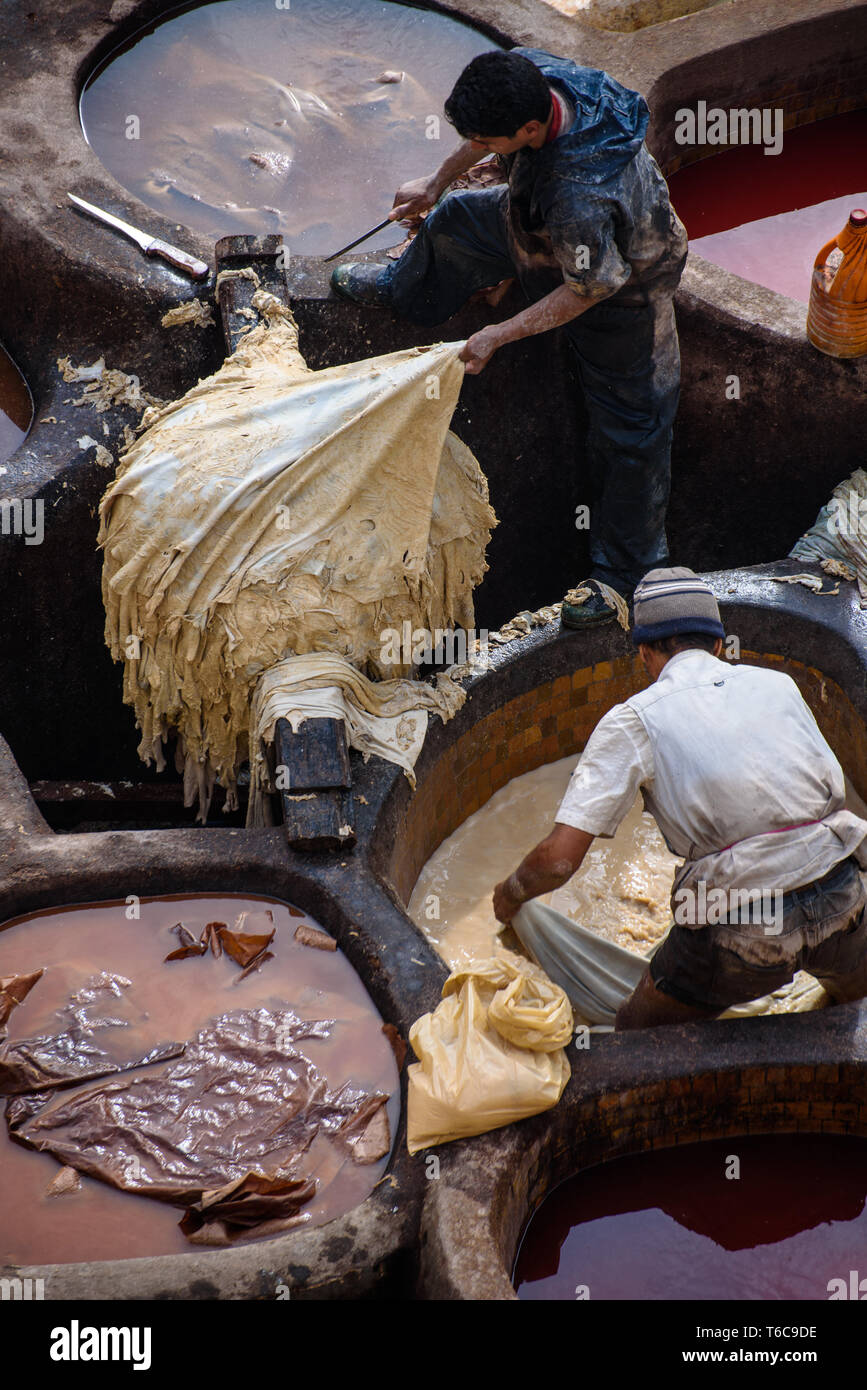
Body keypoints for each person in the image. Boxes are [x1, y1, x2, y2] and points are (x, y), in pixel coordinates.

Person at [331, 48, 688, 626]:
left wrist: (500, 332)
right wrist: (434, 183)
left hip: (622, 290)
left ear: (528, 129)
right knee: (454, 220)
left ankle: (625, 577)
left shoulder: (579, 193)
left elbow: (588, 289)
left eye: (494, 141)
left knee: (634, 434)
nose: (483, 146)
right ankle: (406, 289)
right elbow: (481, 138)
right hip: (538, 227)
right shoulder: (533, 78)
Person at [492, 567, 867, 1028]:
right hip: (845, 894)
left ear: (646, 654)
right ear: (716, 645)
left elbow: (559, 862)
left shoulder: (633, 720)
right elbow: (831, 799)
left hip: (742, 931)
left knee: (637, 1037)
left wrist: (511, 895)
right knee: (855, 1010)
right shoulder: (778, 685)